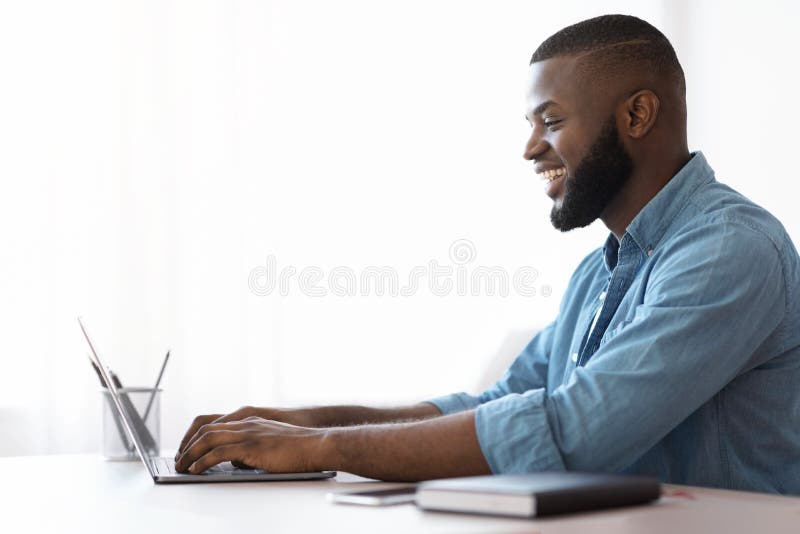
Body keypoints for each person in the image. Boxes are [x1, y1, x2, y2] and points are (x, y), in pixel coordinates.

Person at [174, 14, 800, 494]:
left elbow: (574, 431)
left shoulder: (728, 250)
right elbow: (494, 406)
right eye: (530, 124)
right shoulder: (598, 273)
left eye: (551, 120)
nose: (530, 148)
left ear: (637, 114)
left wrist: (321, 450)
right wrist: (307, 424)